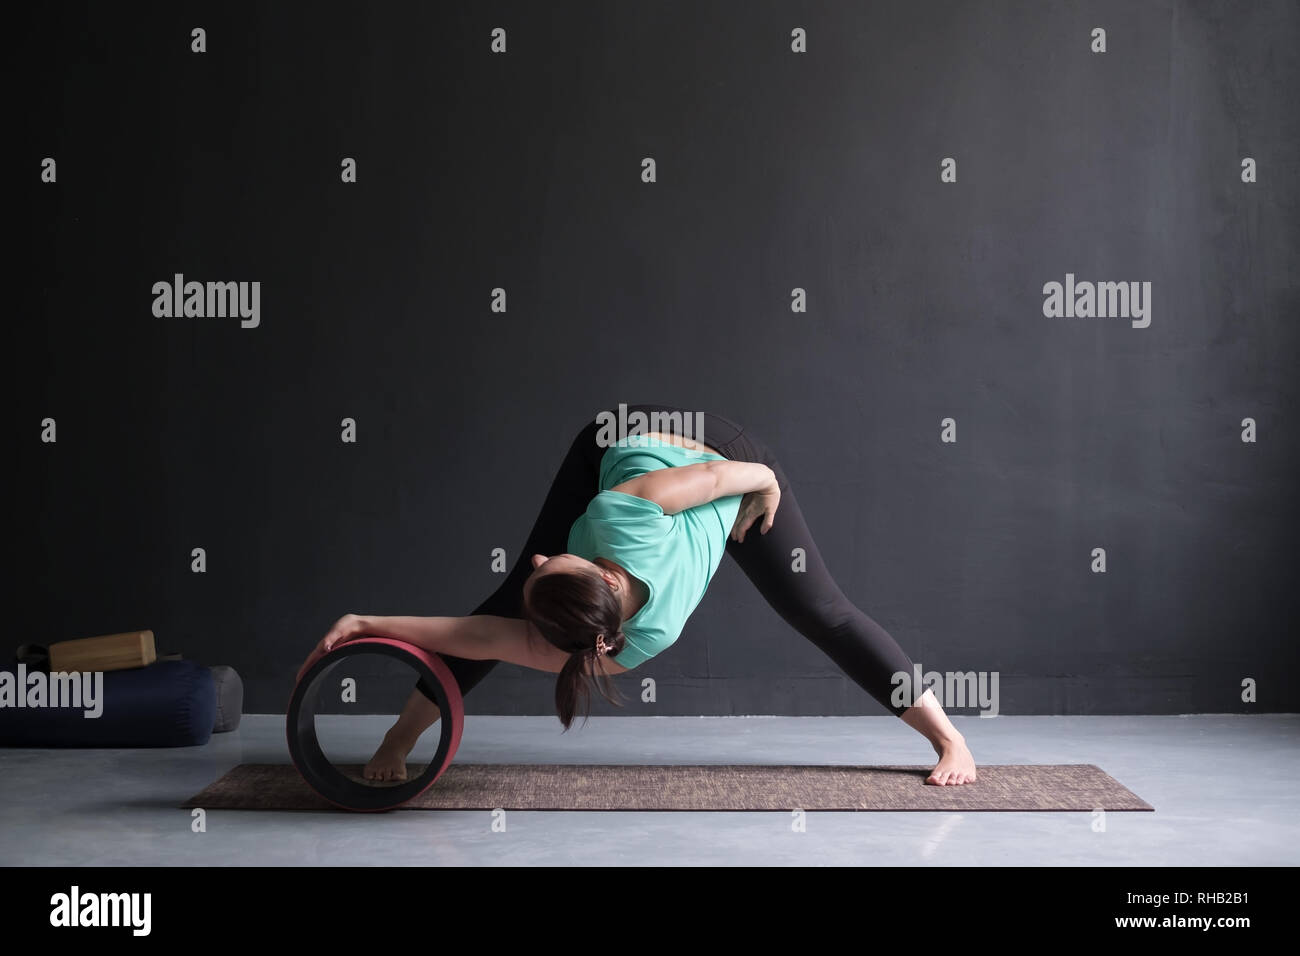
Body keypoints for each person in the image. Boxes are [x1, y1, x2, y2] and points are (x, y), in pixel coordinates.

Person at [300, 403, 977, 786]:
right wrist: (367, 624)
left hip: (709, 451)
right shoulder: (624, 633)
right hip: (639, 465)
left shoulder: (620, 511)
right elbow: (483, 636)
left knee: (819, 610)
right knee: (511, 599)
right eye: (550, 565)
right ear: (605, 587)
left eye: (545, 562)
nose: (537, 554)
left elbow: (716, 476)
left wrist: (767, 480)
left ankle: (949, 740)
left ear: (609, 573)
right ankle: (399, 739)